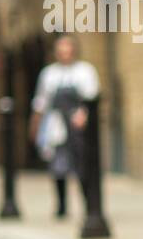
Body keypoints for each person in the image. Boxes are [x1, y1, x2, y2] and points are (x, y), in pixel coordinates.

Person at [30, 34, 100, 219]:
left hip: (78, 127)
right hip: (57, 126)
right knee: (58, 166)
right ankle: (61, 205)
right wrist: (35, 126)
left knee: (82, 166)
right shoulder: (49, 74)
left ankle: (89, 205)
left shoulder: (85, 71)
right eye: (61, 50)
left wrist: (83, 115)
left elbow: (92, 99)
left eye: (68, 50)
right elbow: (41, 102)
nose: (65, 54)